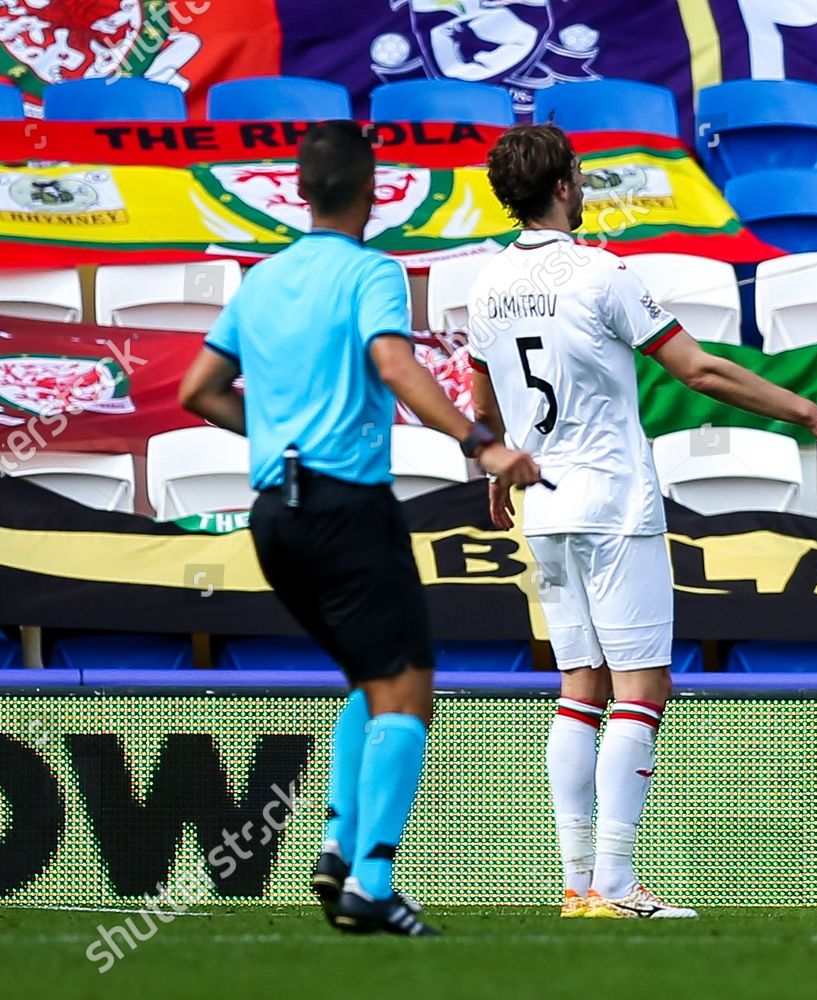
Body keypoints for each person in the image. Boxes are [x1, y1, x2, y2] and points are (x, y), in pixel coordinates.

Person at [468, 123, 817, 919]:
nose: (584, 187)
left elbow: (483, 399)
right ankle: (618, 885)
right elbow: (696, 368)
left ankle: (578, 884)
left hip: (543, 502)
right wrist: (811, 414)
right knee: (642, 687)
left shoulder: (484, 285)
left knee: (577, 686)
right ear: (562, 185)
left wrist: (498, 462)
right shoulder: (602, 273)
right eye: (581, 177)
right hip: (614, 500)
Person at [179, 121, 541, 937]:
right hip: (348, 506)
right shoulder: (372, 272)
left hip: (275, 515)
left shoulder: (262, 282)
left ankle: (339, 852)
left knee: (369, 677)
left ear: (299, 191)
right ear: (373, 191)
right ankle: (369, 879)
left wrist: (273, 433)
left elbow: (198, 389)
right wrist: (480, 443)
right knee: (409, 683)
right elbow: (394, 364)